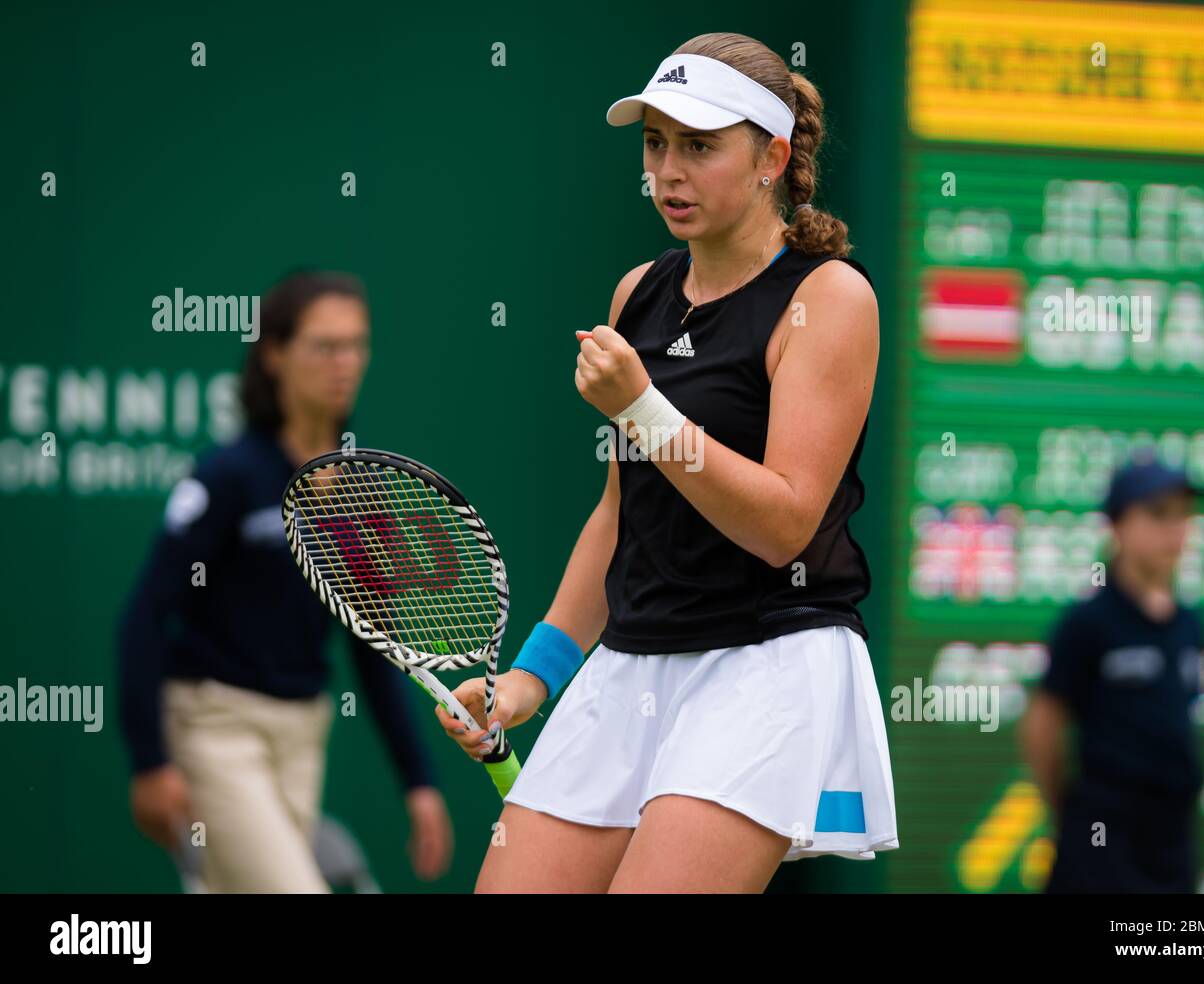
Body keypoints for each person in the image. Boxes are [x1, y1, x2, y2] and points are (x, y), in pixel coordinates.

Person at [436, 33, 898, 893]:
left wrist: (645, 409)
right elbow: (620, 518)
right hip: (631, 663)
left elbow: (784, 525)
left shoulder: (829, 298)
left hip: (766, 664)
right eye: (655, 144)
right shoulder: (636, 292)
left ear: (772, 157)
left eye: (698, 145)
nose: (668, 172)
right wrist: (528, 681)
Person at [117, 269, 452, 892]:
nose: (345, 363)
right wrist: (150, 761)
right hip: (215, 729)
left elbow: (369, 638)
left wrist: (419, 781)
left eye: (357, 345)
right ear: (275, 355)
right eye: (325, 346)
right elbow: (142, 616)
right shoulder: (227, 475)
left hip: (304, 736)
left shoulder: (360, 486)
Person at [1021, 451, 1204, 893]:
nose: (1176, 530)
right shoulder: (1089, 622)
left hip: (1172, 842)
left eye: (1184, 515)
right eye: (1159, 514)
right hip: (1104, 839)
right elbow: (1042, 726)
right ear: (1119, 525)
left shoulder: (1191, 623)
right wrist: (1071, 812)